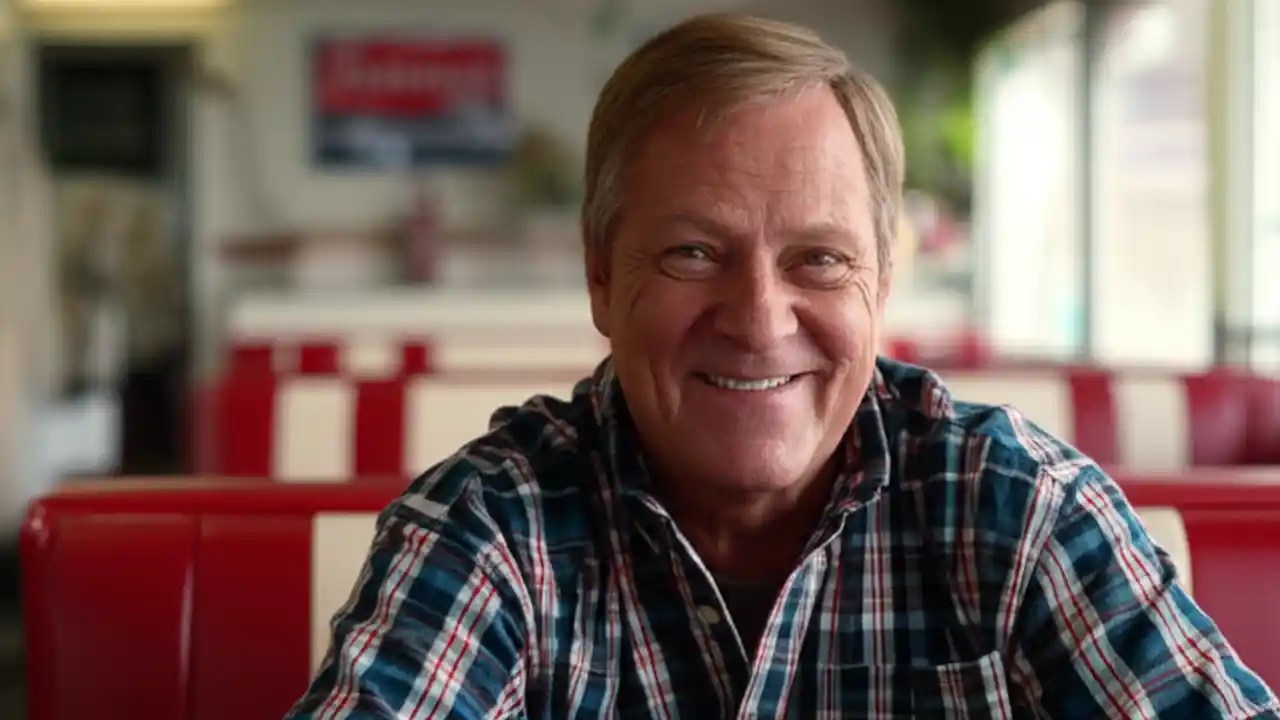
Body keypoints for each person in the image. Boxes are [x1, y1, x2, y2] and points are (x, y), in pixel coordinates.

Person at [287, 14, 1278, 718]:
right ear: (600, 279)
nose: (759, 321)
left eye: (819, 259)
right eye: (692, 253)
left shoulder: (1017, 510)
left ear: (881, 282)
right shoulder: (495, 528)